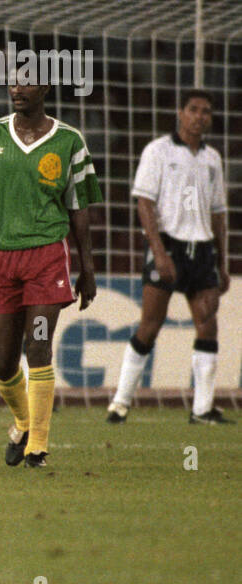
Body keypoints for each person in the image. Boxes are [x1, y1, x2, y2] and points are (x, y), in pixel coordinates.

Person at [0, 80, 101, 468]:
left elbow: (79, 211)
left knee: (38, 345)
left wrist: (88, 269)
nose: (16, 88)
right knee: (4, 363)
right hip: (1, 262)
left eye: (26, 81)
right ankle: (24, 421)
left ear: (45, 86)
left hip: (46, 262)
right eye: (12, 80)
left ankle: (38, 447)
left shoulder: (69, 141)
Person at [107, 90, 231, 425]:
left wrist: (222, 262)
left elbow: (219, 213)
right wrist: (158, 252)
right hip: (169, 245)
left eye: (206, 111)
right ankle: (120, 402)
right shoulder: (158, 151)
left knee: (207, 325)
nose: (199, 116)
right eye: (193, 109)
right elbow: (144, 203)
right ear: (180, 112)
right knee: (150, 325)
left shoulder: (212, 159)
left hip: (202, 249)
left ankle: (203, 409)